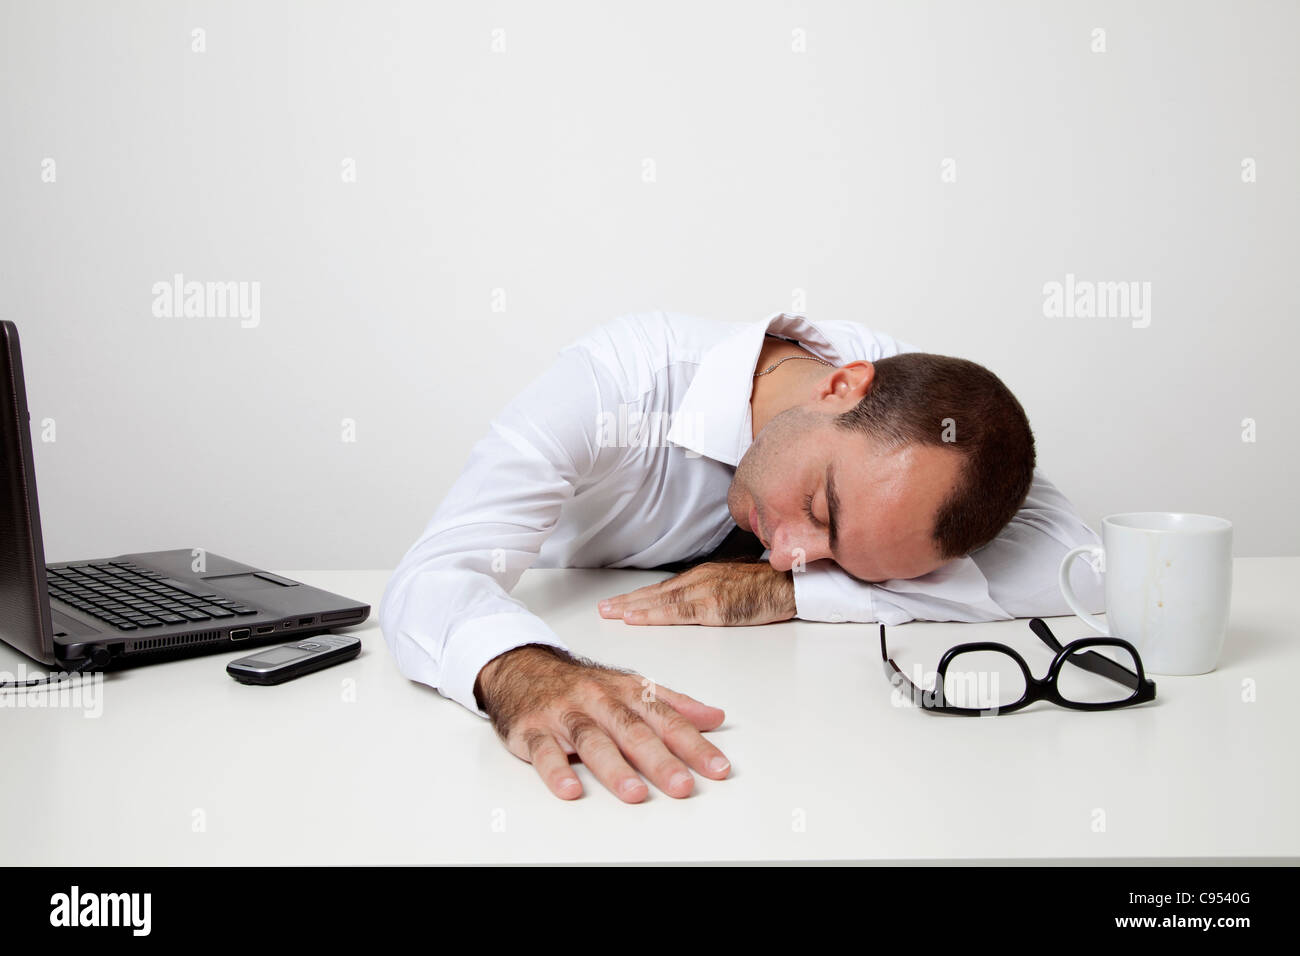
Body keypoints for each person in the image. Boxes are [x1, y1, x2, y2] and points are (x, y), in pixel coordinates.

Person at [379, 310, 1103, 803]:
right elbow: (433, 577)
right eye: (821, 511)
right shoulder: (617, 384)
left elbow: (1079, 562)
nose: (790, 555)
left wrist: (786, 595)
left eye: (841, 559)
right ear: (842, 384)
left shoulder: (931, 429)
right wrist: (522, 671)